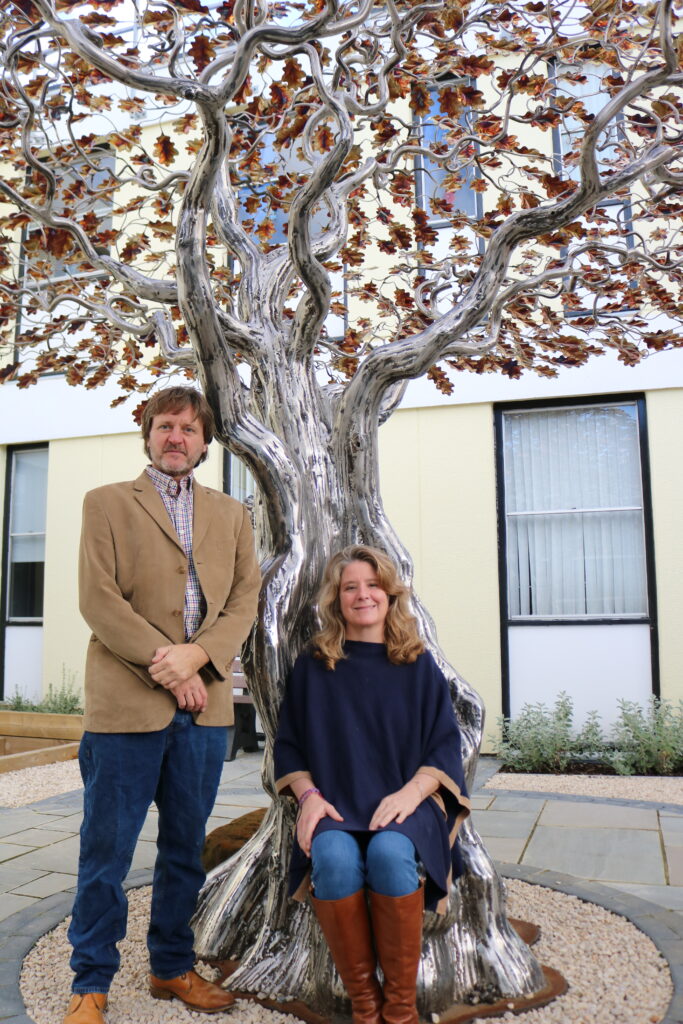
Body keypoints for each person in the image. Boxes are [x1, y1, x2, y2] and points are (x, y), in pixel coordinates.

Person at [64, 386, 261, 1024]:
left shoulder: (232, 514)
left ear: (205, 443)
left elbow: (243, 603)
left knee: (184, 849)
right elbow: (99, 601)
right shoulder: (107, 504)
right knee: (106, 852)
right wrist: (172, 667)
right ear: (147, 433)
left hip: (204, 715)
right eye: (165, 425)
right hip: (128, 709)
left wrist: (198, 659)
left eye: (188, 428)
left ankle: (171, 968)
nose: (176, 436)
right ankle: (90, 983)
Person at [274, 545, 471, 1024]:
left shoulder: (417, 665)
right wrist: (310, 797)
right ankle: (366, 1008)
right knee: (335, 861)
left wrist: (411, 794)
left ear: (390, 593)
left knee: (388, 855)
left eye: (372, 585)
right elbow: (289, 746)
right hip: (336, 805)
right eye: (350, 587)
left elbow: (444, 747)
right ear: (336, 600)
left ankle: (400, 1010)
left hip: (406, 804)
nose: (363, 595)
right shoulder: (314, 666)